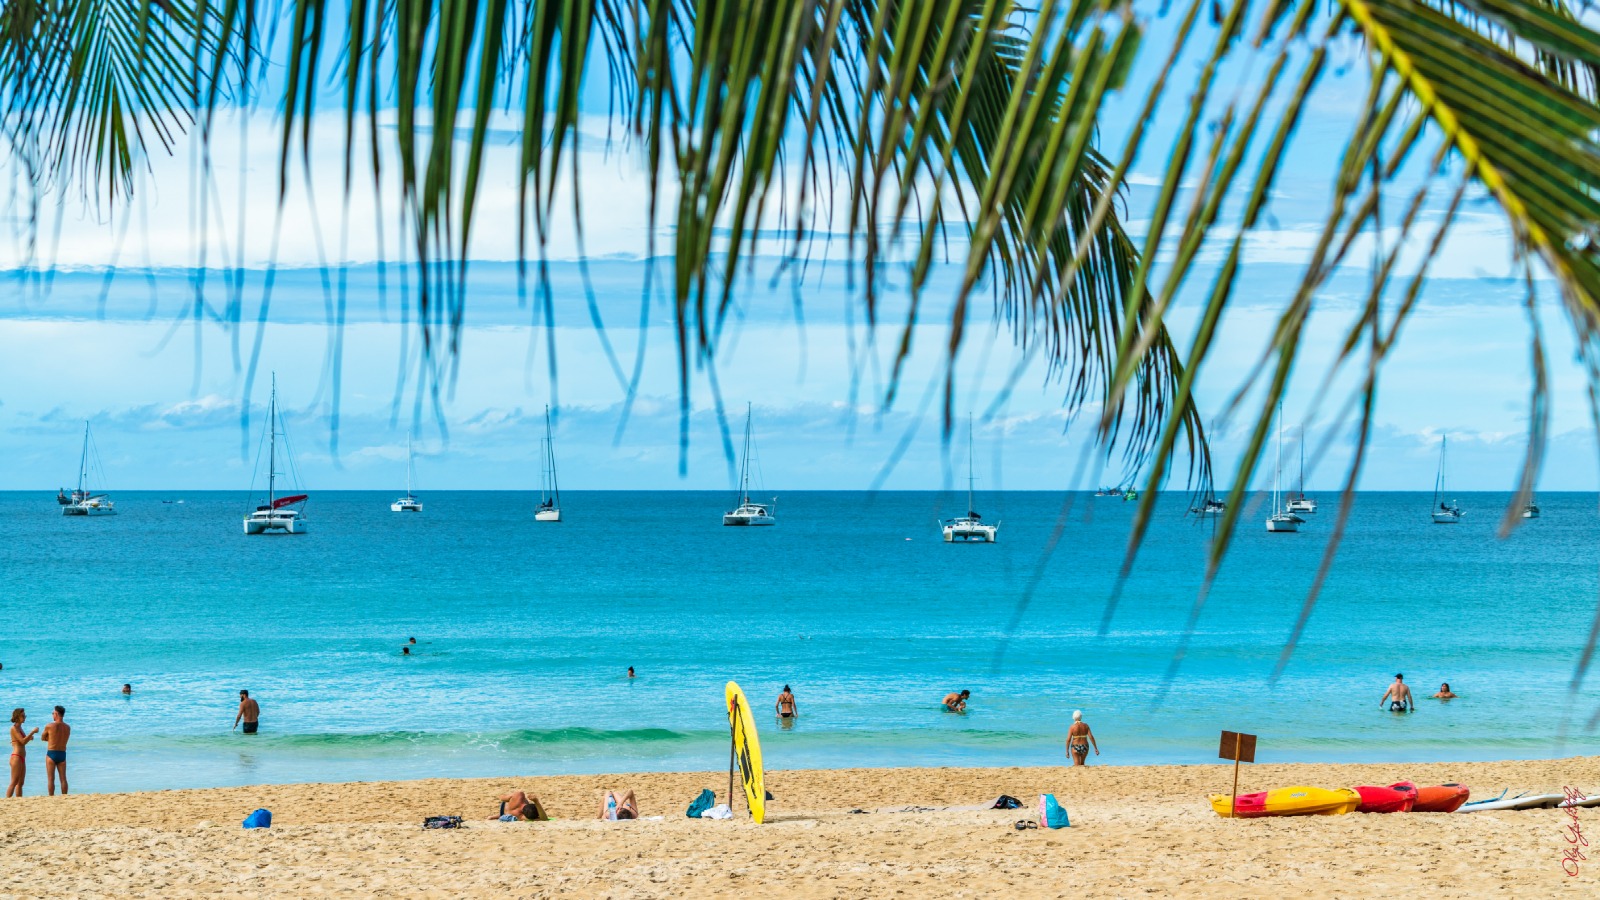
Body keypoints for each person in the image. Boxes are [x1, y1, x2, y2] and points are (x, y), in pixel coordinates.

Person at [8, 709, 38, 798]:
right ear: (17, 717)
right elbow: (22, 741)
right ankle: (6, 800)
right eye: (23, 716)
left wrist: (29, 737)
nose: (24, 718)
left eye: (25, 716)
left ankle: (19, 800)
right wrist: (32, 732)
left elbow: (24, 740)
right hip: (16, 757)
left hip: (21, 757)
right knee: (14, 782)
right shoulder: (14, 728)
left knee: (20, 783)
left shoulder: (20, 727)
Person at [42, 706, 69, 796]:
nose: (52, 715)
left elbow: (42, 738)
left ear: (56, 714)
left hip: (51, 753)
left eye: (53, 713)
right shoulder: (67, 727)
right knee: (63, 779)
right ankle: (65, 797)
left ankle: (51, 797)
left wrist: (51, 739)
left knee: (50, 779)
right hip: (62, 754)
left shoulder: (49, 726)